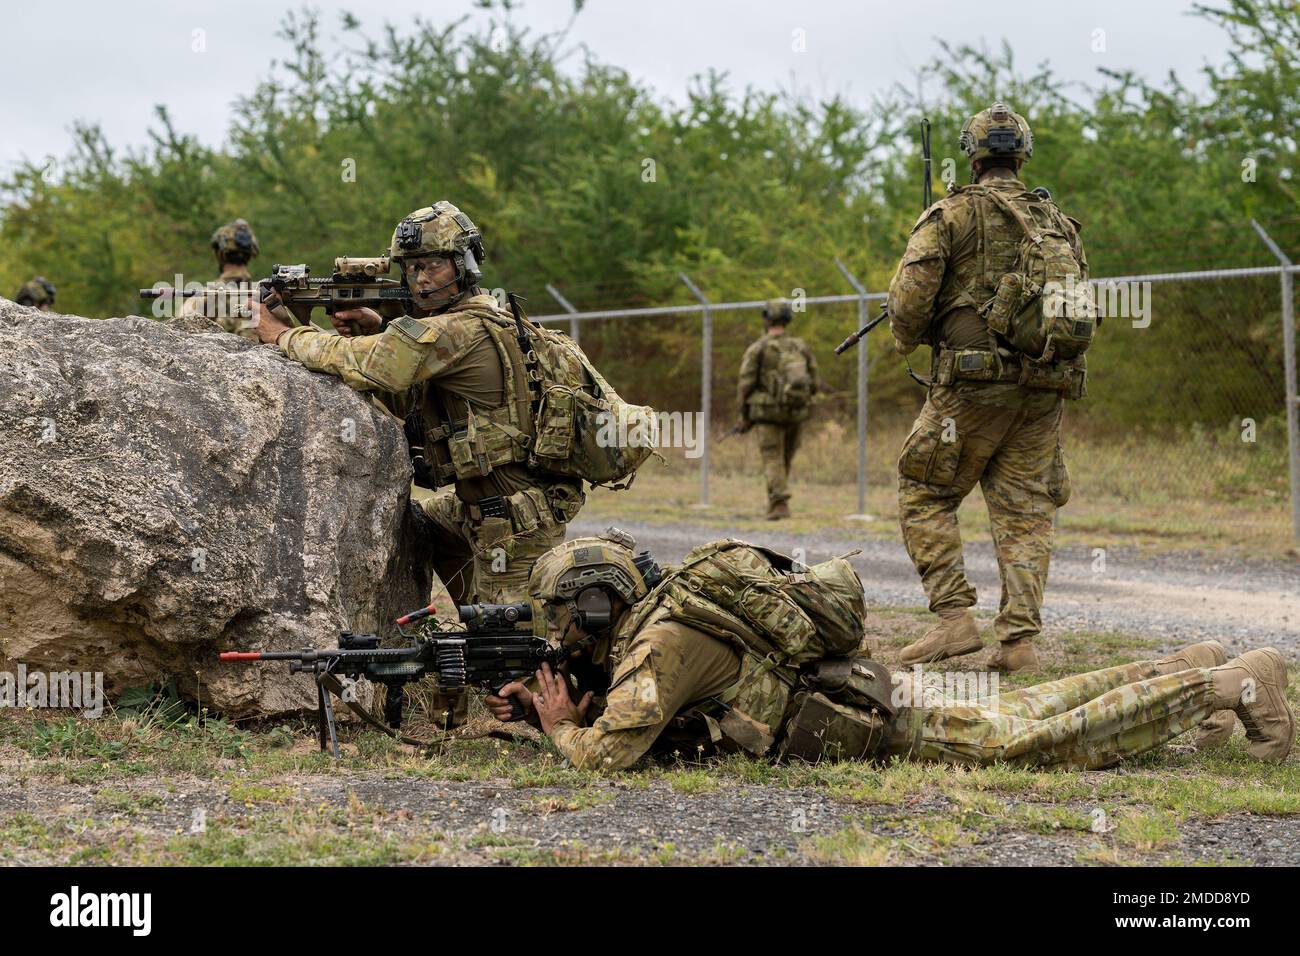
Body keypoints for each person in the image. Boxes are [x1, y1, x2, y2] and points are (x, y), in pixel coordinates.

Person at [486, 532, 1291, 772]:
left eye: (567, 614)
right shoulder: (662, 621)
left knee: (1041, 739)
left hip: (880, 717)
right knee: (1034, 705)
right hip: (874, 691)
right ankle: (1191, 661)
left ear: (599, 601)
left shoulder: (657, 643)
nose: (562, 632)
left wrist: (560, 726)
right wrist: (555, 707)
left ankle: (1224, 685)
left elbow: (605, 758)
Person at [251, 201, 592, 607]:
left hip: (515, 522)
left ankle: (494, 644)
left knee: (513, 653)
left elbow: (367, 365)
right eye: (411, 268)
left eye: (433, 265)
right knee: (420, 526)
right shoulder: (478, 320)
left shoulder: (458, 329)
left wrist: (283, 335)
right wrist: (377, 329)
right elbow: (412, 400)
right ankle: (471, 621)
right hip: (483, 509)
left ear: (463, 264)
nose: (420, 279)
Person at [887, 103, 1095, 674]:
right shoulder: (1059, 224)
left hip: (971, 391)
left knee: (923, 490)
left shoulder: (949, 215)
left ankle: (954, 621)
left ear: (972, 155)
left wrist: (913, 337)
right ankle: (1018, 644)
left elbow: (907, 305)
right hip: (1042, 391)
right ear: (1021, 156)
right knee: (1027, 513)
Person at [735, 298, 820, 519]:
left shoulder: (758, 348)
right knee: (785, 459)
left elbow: (745, 384)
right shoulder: (800, 346)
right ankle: (776, 502)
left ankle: (780, 504)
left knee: (773, 458)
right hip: (795, 413)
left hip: (767, 414)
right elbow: (815, 381)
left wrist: (744, 416)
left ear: (766, 318)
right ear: (788, 319)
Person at [180, 219, 261, 341]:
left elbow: (181, 334)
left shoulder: (201, 297)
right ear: (249, 255)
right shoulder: (265, 296)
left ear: (220, 254)